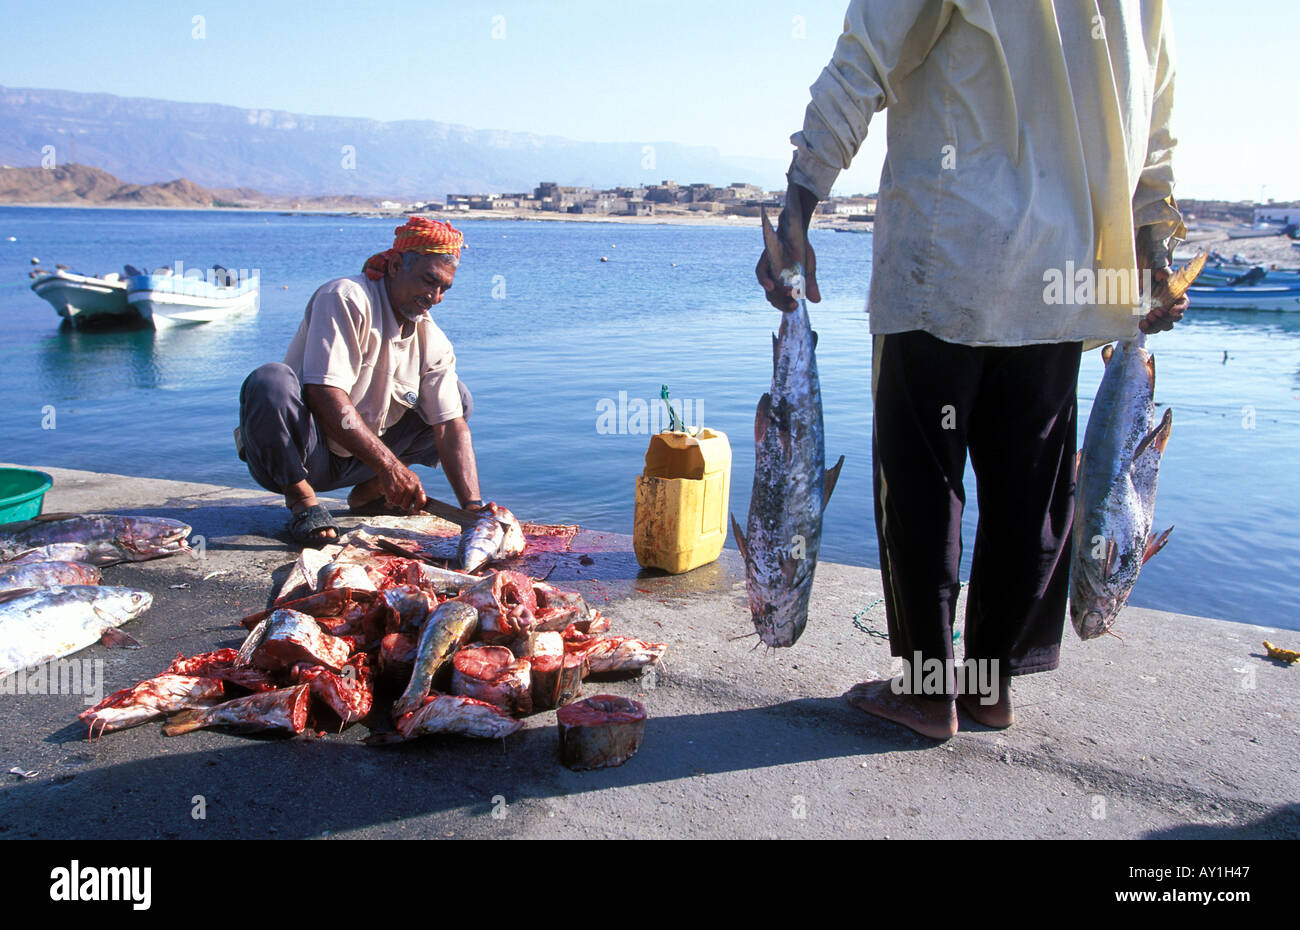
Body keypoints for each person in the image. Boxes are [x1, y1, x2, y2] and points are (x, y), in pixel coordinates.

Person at [757, 0, 1190, 739]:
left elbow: (865, 56)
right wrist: (1153, 242)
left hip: (946, 254)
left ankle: (929, 692)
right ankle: (990, 687)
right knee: (1030, 486)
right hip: (1063, 271)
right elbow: (1156, 116)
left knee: (922, 487)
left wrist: (800, 200)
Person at [236, 216, 493, 546]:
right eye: (430, 281)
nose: (436, 297)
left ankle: (371, 494)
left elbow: (449, 427)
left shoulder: (433, 340)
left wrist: (472, 510)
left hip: (363, 462)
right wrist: (390, 466)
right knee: (270, 381)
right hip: (304, 454)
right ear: (396, 266)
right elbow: (324, 393)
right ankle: (301, 500)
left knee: (459, 400)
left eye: (445, 288)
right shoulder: (345, 298)